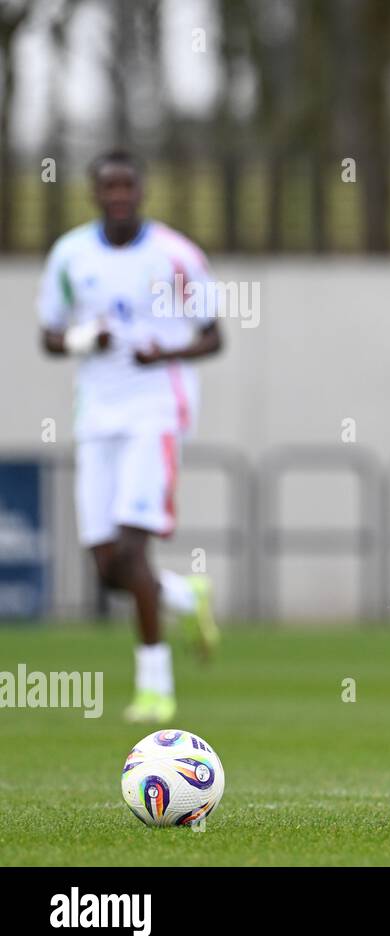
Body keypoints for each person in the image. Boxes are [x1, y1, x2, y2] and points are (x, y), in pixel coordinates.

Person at [37, 149, 222, 724]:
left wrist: (162, 351)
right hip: (97, 418)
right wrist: (79, 340)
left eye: (127, 186)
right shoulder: (70, 254)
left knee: (132, 549)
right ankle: (184, 597)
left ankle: (155, 688)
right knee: (107, 567)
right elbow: (48, 336)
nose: (118, 196)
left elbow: (214, 337)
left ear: (141, 191)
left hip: (156, 413)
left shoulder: (176, 255)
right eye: (108, 187)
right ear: (95, 193)